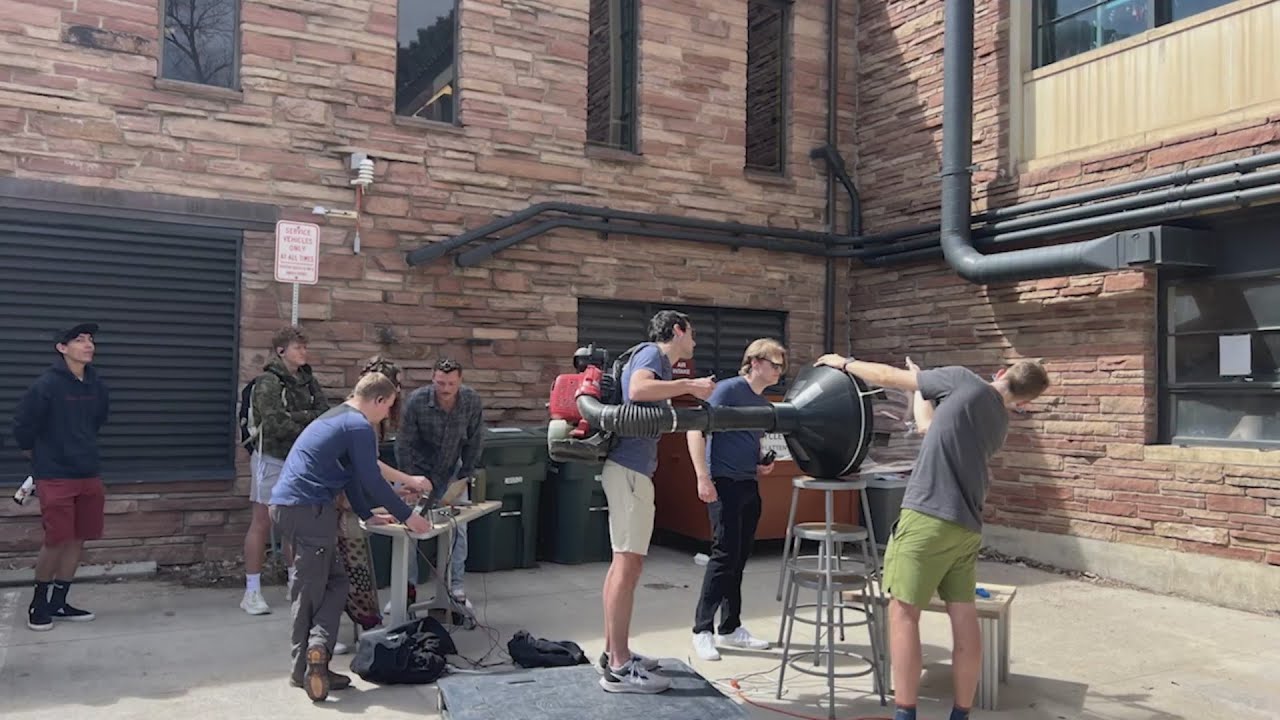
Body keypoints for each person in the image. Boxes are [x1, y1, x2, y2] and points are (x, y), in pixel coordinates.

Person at [814, 353, 1050, 720]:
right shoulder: (999, 423)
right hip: (965, 527)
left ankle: (905, 714)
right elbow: (927, 428)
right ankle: (960, 714)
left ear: (1001, 372)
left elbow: (886, 376)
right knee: (964, 616)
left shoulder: (962, 380)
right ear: (1025, 400)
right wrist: (921, 384)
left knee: (904, 615)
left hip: (926, 518)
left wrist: (844, 363)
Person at [269, 371, 432, 702]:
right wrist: (409, 517)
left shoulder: (338, 418)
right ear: (379, 400)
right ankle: (306, 666)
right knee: (310, 590)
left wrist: (367, 514)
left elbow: (352, 477)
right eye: (388, 408)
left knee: (336, 583)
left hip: (299, 508)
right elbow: (372, 480)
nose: (387, 415)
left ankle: (316, 656)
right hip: (308, 509)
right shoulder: (358, 426)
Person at [598, 310, 715, 694]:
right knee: (627, 567)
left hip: (629, 472)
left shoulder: (653, 360)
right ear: (678, 330)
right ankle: (618, 667)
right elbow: (638, 391)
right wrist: (691, 386)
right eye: (692, 333)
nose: (694, 342)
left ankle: (615, 652)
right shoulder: (652, 355)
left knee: (623, 566)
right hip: (630, 474)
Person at [687, 338, 786, 661]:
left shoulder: (762, 400)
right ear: (755, 362)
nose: (779, 371)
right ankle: (702, 630)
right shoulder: (727, 390)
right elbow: (694, 430)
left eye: (781, 366)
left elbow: (748, 439)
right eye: (775, 364)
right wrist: (703, 477)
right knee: (723, 556)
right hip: (723, 483)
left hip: (748, 483)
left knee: (740, 558)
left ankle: (730, 627)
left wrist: (760, 462)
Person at [12, 322, 110, 632]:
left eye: (91, 339)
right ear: (62, 348)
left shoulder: (97, 385)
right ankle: (38, 605)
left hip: (88, 473)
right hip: (55, 475)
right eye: (80, 340)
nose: (88, 344)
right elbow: (23, 429)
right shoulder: (46, 386)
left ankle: (60, 602)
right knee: (56, 540)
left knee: (78, 539)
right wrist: (44, 457)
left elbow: (96, 422)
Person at [395, 357, 485, 610]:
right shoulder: (417, 402)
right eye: (441, 382)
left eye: (451, 383)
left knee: (458, 528)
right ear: (432, 378)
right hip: (418, 474)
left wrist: (465, 474)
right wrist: (410, 480)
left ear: (460, 381)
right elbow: (404, 442)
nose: (445, 388)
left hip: (451, 473)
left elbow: (475, 439)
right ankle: (406, 588)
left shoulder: (470, 401)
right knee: (409, 529)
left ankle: (454, 586)